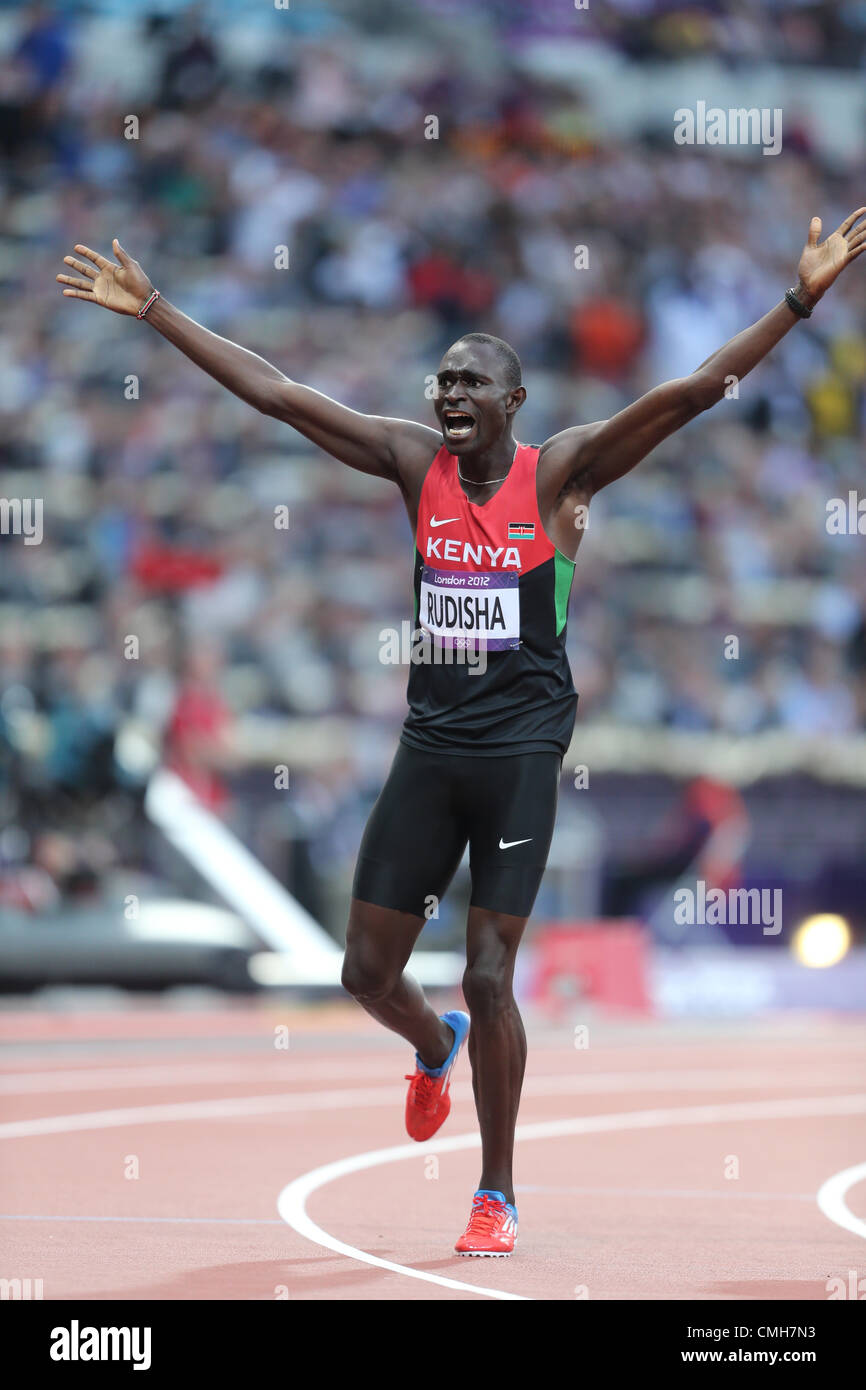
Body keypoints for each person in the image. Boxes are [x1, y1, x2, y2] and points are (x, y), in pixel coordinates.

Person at [58, 207, 866, 1255]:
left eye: (466, 383)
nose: (445, 395)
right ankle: (430, 1041)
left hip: (522, 752)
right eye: (439, 381)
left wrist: (797, 300)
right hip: (431, 748)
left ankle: (494, 1191)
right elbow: (278, 395)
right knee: (362, 972)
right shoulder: (409, 462)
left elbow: (687, 392)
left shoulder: (563, 473)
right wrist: (157, 309)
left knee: (489, 972)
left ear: (511, 403)